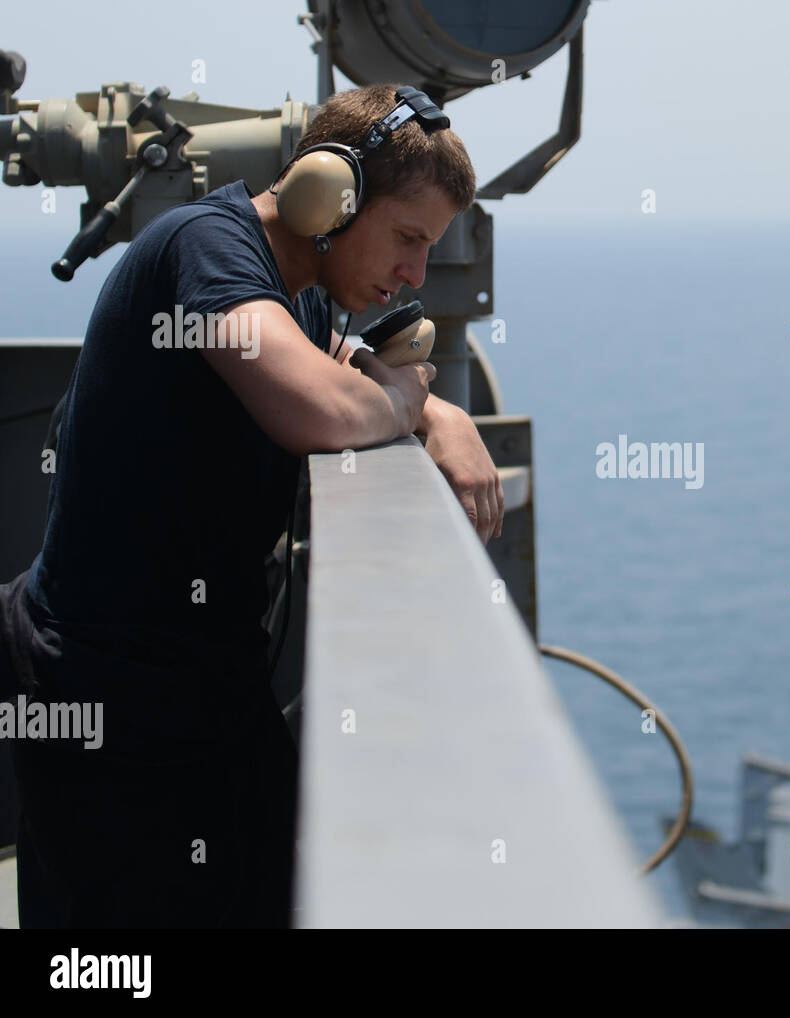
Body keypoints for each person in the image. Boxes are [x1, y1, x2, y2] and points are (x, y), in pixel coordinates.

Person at [0, 83, 503, 927]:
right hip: (98, 682)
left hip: (203, 679)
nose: (416, 277)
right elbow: (323, 409)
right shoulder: (209, 246)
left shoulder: (299, 289)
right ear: (328, 197)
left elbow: (345, 371)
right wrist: (418, 403)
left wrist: (441, 409)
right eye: (407, 239)